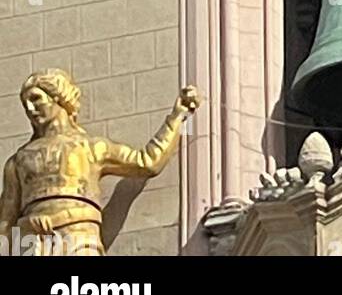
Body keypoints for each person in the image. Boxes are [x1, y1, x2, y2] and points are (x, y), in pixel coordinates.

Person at [0, 68, 200, 256]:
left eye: (36, 99)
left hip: (79, 237)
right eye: (25, 103)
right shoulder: (18, 161)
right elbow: (4, 226)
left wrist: (176, 118)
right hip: (33, 244)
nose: (29, 108)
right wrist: (26, 227)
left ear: (58, 97)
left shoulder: (92, 147)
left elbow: (147, 162)